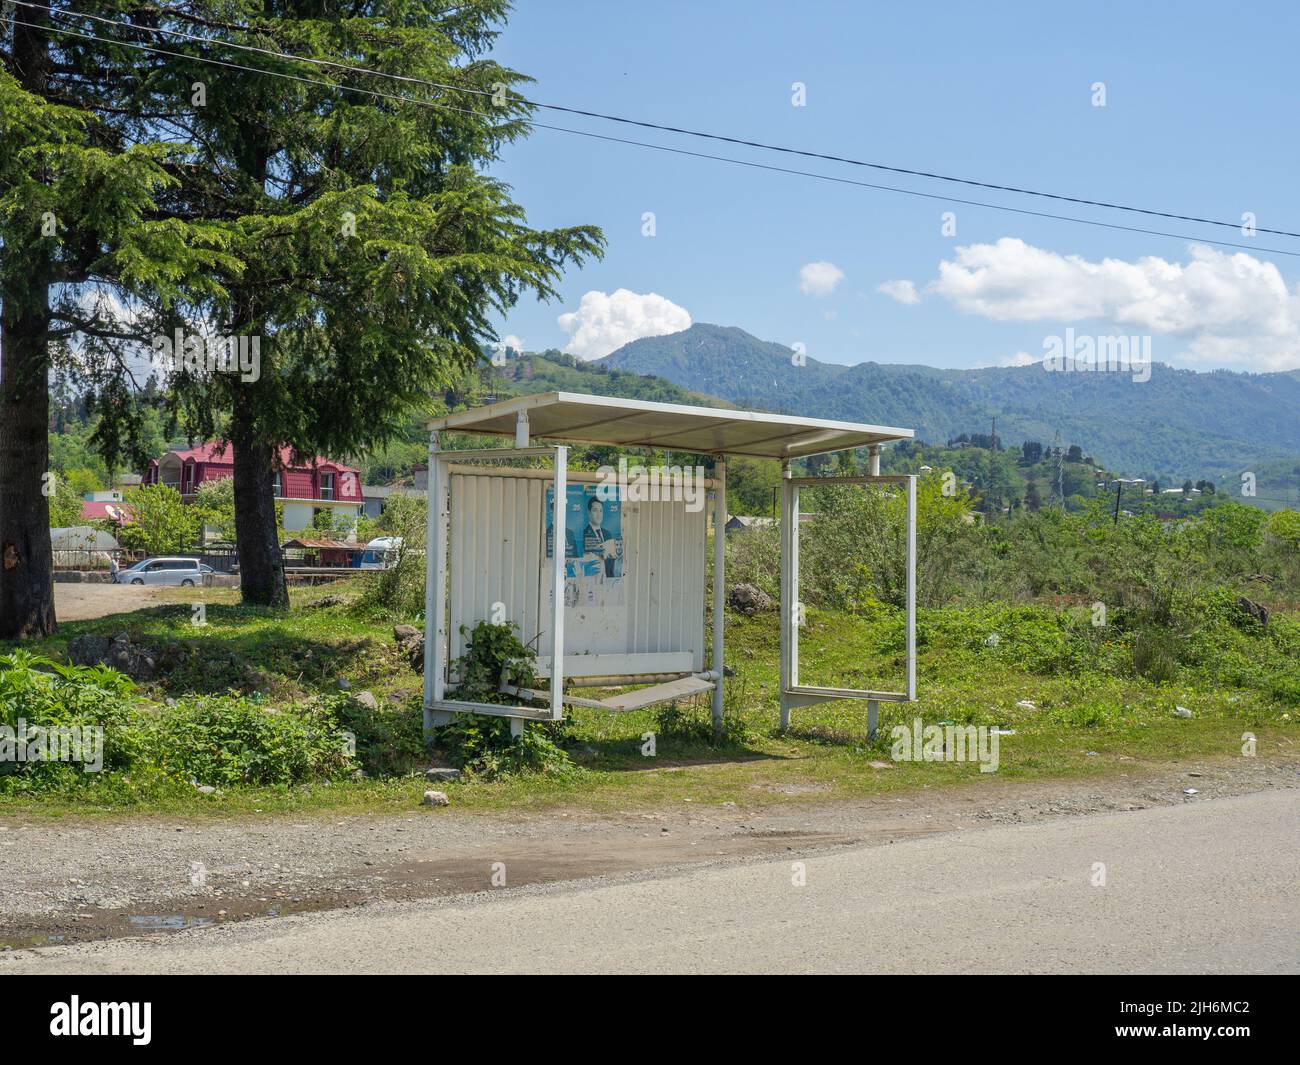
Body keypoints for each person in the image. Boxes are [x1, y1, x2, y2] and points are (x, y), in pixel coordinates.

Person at [581, 497, 621, 577]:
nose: (599, 514)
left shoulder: (608, 534)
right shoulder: (583, 534)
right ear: (589, 513)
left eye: (601, 511)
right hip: (590, 579)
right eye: (595, 510)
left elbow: (611, 562)